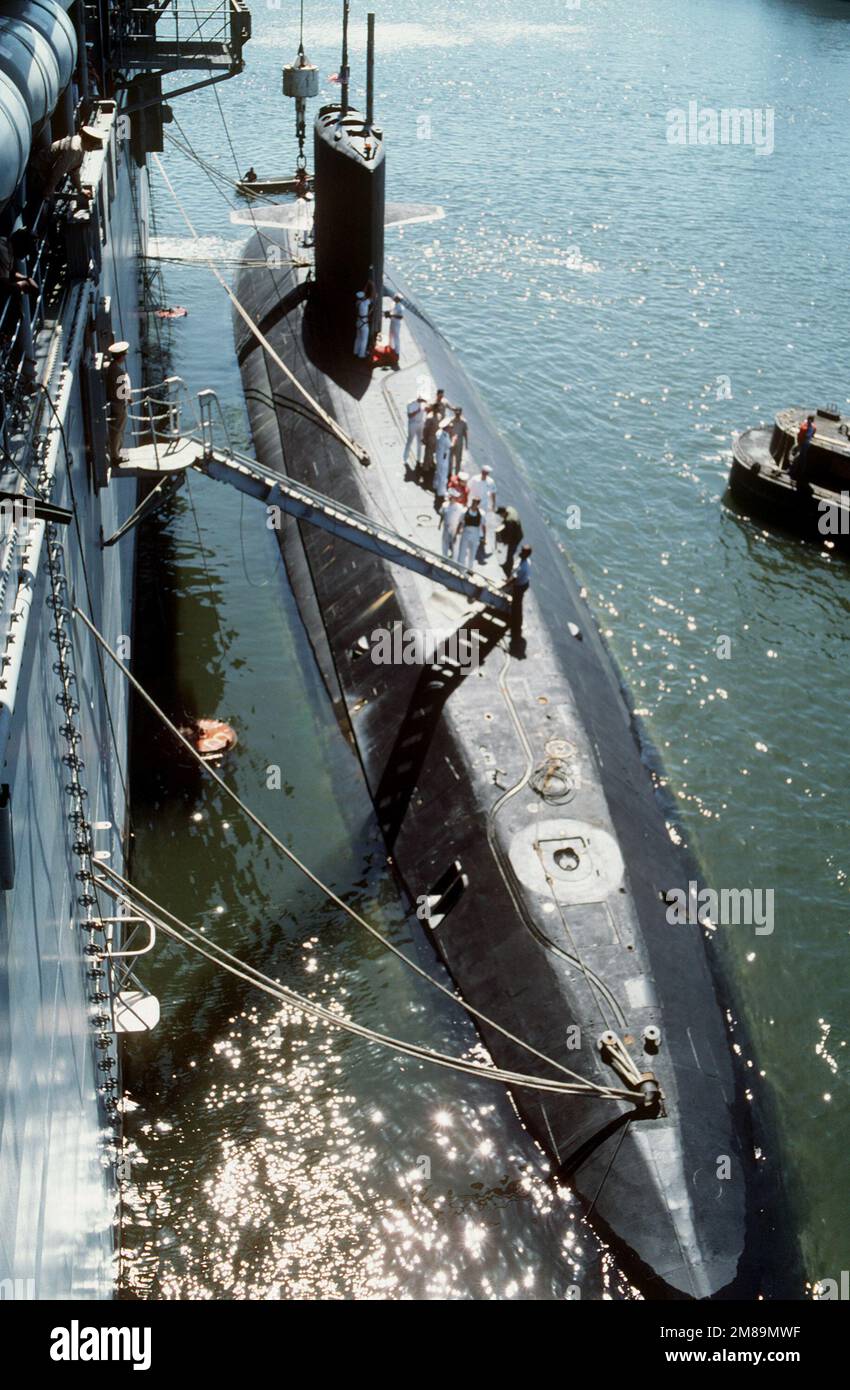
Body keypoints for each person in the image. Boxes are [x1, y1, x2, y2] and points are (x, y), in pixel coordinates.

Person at [35, 126, 105, 201]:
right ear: (90, 142)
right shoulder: (74, 149)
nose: (93, 149)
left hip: (46, 171)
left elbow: (75, 171)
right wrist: (48, 192)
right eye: (94, 146)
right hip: (38, 170)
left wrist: (80, 189)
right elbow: (58, 171)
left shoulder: (81, 147)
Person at [105, 341, 131, 466]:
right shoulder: (119, 373)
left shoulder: (110, 368)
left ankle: (115, 453)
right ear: (121, 357)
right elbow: (121, 395)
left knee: (116, 431)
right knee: (118, 431)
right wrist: (128, 398)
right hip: (119, 406)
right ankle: (116, 456)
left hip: (112, 402)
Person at [469, 463, 497, 555]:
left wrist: (493, 504)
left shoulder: (490, 482)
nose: (485, 474)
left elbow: (493, 493)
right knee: (470, 517)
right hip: (473, 502)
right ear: (482, 472)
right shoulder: (475, 479)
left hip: (483, 504)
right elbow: (468, 488)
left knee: (482, 522)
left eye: (487, 473)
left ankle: (483, 538)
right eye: (484, 472)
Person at [508, 545, 532, 644]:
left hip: (520, 586)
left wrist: (504, 584)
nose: (520, 552)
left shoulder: (522, 567)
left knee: (516, 606)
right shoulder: (526, 561)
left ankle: (516, 627)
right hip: (523, 583)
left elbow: (513, 579)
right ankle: (516, 624)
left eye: (523, 552)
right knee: (517, 604)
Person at [496, 504, 523, 576]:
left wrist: (504, 542)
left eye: (500, 515)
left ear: (503, 513)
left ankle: (508, 570)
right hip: (517, 532)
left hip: (516, 537)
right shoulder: (510, 508)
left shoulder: (509, 521)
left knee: (510, 553)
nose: (500, 516)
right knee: (509, 552)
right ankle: (506, 564)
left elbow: (509, 534)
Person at [790, 413, 817, 486]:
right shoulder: (810, 425)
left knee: (799, 457)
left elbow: (803, 436)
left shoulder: (807, 428)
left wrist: (800, 443)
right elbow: (812, 433)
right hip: (804, 443)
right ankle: (799, 470)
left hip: (803, 444)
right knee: (802, 457)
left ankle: (794, 471)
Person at [456, 497, 483, 569]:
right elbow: (460, 522)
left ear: (478, 504)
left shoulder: (481, 514)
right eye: (473, 502)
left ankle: (470, 569)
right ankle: (460, 567)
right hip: (466, 532)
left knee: (473, 552)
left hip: (475, 534)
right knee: (462, 550)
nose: (474, 504)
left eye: (476, 503)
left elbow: (483, 526)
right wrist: (457, 533)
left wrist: (483, 537)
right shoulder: (465, 511)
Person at [404, 395, 427, 468]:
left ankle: (419, 458)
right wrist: (417, 411)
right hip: (413, 423)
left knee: (420, 442)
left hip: (420, 423)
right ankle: (405, 457)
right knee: (410, 441)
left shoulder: (423, 404)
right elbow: (409, 416)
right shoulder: (411, 404)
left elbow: (427, 409)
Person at [440, 494, 465, 558]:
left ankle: (455, 560)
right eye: (450, 497)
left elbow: (462, 520)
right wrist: (439, 524)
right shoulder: (444, 505)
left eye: (453, 497)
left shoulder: (460, 507)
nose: (452, 498)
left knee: (455, 544)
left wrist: (461, 529)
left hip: (455, 527)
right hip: (446, 526)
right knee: (444, 542)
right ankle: (444, 557)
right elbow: (442, 515)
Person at [434, 421, 452, 504]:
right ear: (446, 427)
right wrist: (454, 439)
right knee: (443, 475)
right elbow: (450, 445)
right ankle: (441, 492)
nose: (450, 428)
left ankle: (435, 485)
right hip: (443, 458)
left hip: (439, 455)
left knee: (438, 472)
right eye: (449, 427)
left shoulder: (439, 432)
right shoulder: (444, 437)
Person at [421, 406, 439, 484]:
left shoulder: (438, 416)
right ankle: (425, 470)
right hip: (430, 437)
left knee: (433, 453)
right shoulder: (429, 417)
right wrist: (424, 438)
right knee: (427, 454)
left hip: (436, 437)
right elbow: (425, 429)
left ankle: (430, 464)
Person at [384, 292, 404, 357]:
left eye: (395, 297)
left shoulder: (401, 307)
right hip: (392, 321)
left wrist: (391, 315)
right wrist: (388, 314)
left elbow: (400, 317)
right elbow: (391, 311)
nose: (394, 297)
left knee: (396, 336)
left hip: (397, 323)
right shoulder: (393, 303)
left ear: (398, 299)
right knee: (390, 334)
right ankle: (390, 346)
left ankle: (397, 351)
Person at [353, 289, 371, 358]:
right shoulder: (365, 303)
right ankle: (361, 354)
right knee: (364, 339)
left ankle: (356, 351)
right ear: (363, 297)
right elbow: (372, 297)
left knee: (358, 338)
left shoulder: (357, 303)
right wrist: (371, 285)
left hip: (358, 322)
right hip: (364, 323)